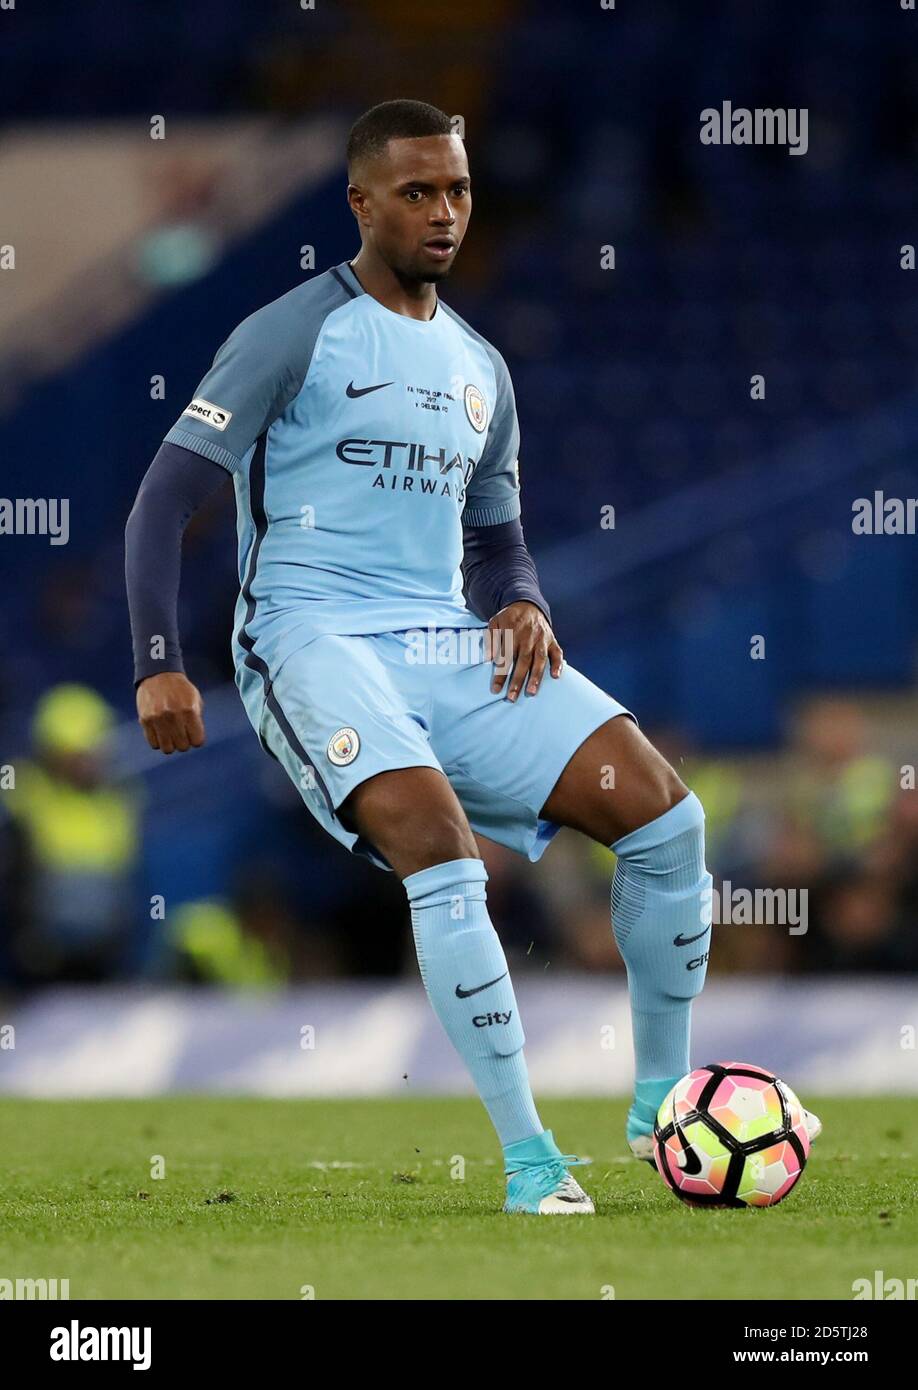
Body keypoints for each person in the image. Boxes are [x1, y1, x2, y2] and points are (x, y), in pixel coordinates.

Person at [125, 100, 728, 1214]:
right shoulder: (293, 329)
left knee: (667, 816)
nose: (444, 211)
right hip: (310, 639)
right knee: (441, 850)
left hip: (445, 639)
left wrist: (524, 602)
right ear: (361, 204)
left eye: (456, 189)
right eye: (417, 192)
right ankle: (530, 1159)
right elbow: (164, 498)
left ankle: (660, 1105)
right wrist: (159, 658)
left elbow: (496, 536)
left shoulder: (481, 367)